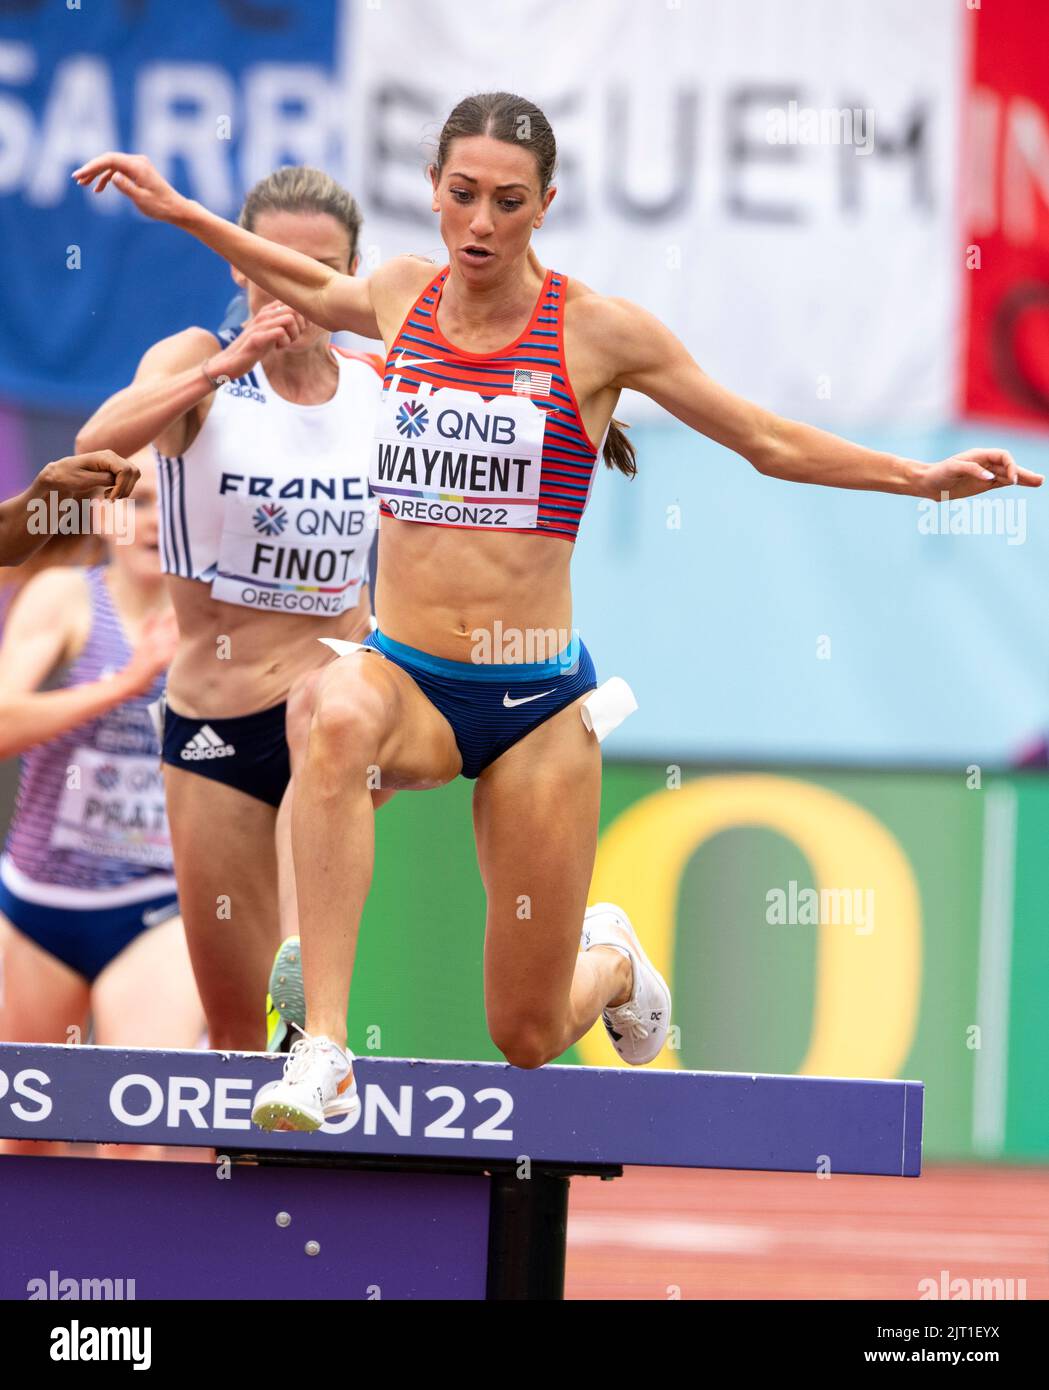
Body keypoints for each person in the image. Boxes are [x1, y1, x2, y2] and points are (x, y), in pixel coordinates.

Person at [74, 91, 1041, 1132]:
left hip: (535, 703)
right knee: (334, 707)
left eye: (506, 201)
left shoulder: (597, 331)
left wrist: (919, 478)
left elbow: (764, 440)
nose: (480, 223)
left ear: (544, 205)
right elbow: (304, 277)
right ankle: (324, 1047)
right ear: (435, 194)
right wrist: (178, 210)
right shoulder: (401, 294)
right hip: (409, 681)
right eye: (461, 196)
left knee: (527, 1035)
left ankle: (611, 957)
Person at [74, 167, 383, 1052]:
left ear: (351, 274)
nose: (293, 287)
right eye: (272, 266)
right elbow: (100, 445)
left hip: (330, 701)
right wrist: (225, 362)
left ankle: (313, 1015)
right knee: (236, 1032)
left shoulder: (378, 386)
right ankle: (272, 1090)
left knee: (297, 1002)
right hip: (213, 721)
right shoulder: (195, 366)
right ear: (241, 269)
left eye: (318, 268)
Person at [0, 451, 203, 1155]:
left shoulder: (215, 619)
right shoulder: (64, 595)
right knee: (24, 1136)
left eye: (167, 503)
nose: (152, 520)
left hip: (155, 910)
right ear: (106, 514)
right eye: (137, 501)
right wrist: (124, 684)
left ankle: (134, 1266)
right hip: (38, 908)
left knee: (136, 1129)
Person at [0, 450, 139, 568]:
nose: (156, 519)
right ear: (102, 514)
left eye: (161, 501)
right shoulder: (64, 590)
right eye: (140, 503)